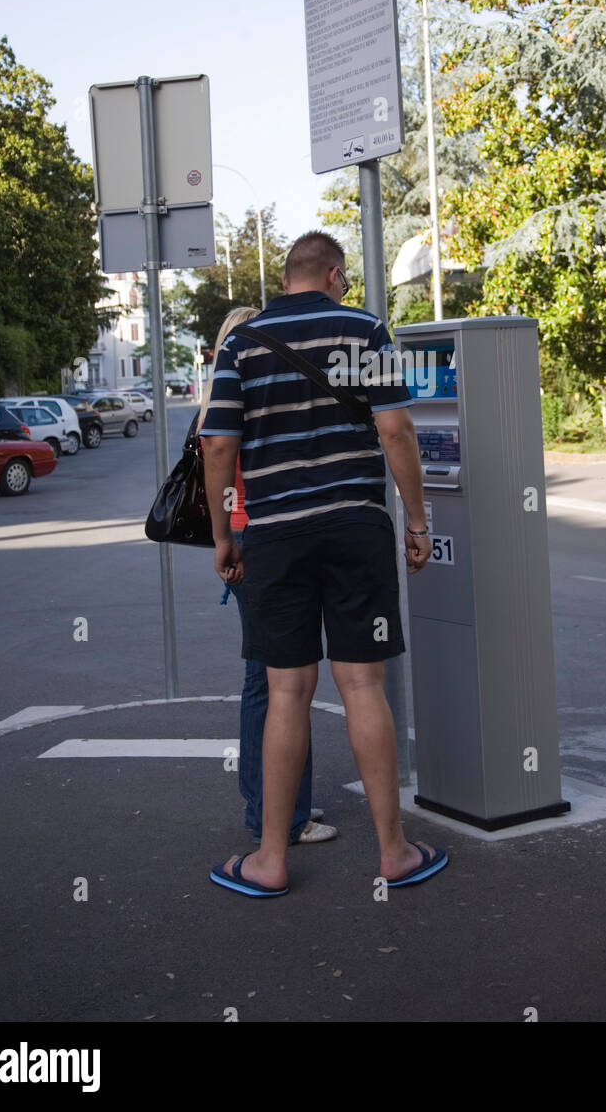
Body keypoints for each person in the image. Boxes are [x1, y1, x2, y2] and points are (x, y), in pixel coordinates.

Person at [201, 230, 448, 897]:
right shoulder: (364, 328)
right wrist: (417, 521)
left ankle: (270, 861)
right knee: (362, 687)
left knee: (286, 691)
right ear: (335, 275)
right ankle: (393, 853)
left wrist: (225, 533)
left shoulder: (242, 343)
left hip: (275, 536)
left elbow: (218, 446)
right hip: (354, 529)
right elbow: (396, 431)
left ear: (287, 277)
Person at [198, 305, 336, 848]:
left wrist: (223, 535)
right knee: (278, 685)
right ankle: (278, 816)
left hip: (244, 538)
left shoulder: (221, 402)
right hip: (263, 538)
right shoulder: (257, 401)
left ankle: (274, 803)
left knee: (269, 681)